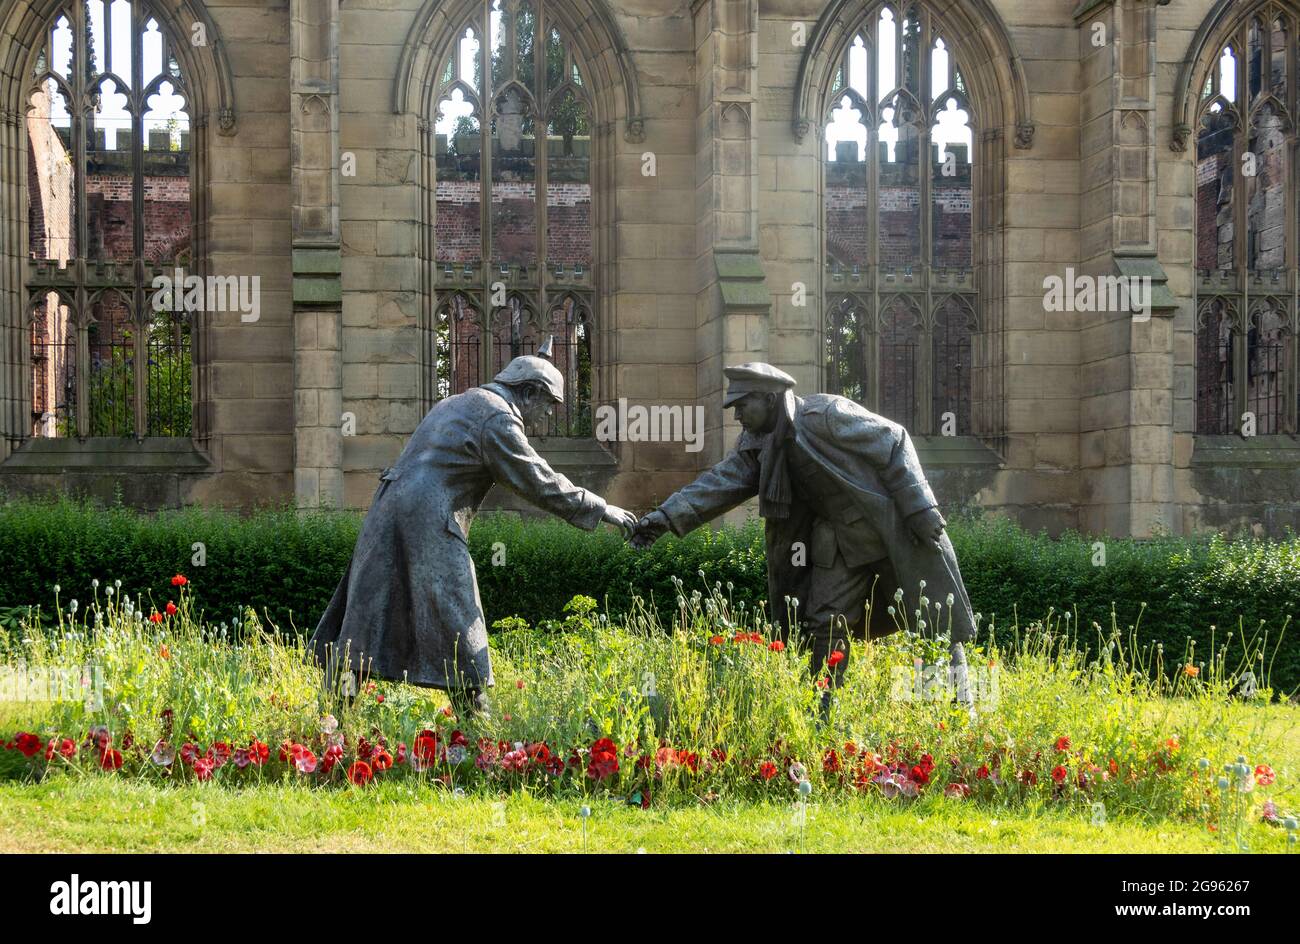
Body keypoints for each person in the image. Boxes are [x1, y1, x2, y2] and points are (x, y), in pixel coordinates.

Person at [630, 362, 975, 717]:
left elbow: (893, 438)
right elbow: (720, 483)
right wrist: (665, 516)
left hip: (890, 529)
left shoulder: (824, 414)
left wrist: (920, 506)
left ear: (768, 399)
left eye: (742, 406)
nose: (737, 416)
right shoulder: (758, 444)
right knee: (826, 620)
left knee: (934, 619)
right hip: (837, 541)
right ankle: (820, 712)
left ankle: (957, 712)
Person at [311, 352, 637, 716]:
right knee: (461, 624)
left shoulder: (457, 402)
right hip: (429, 521)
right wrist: (602, 508)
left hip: (386, 513)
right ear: (528, 393)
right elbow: (538, 481)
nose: (546, 418)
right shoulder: (497, 417)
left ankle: (331, 728)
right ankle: (481, 735)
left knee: (365, 625)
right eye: (547, 406)